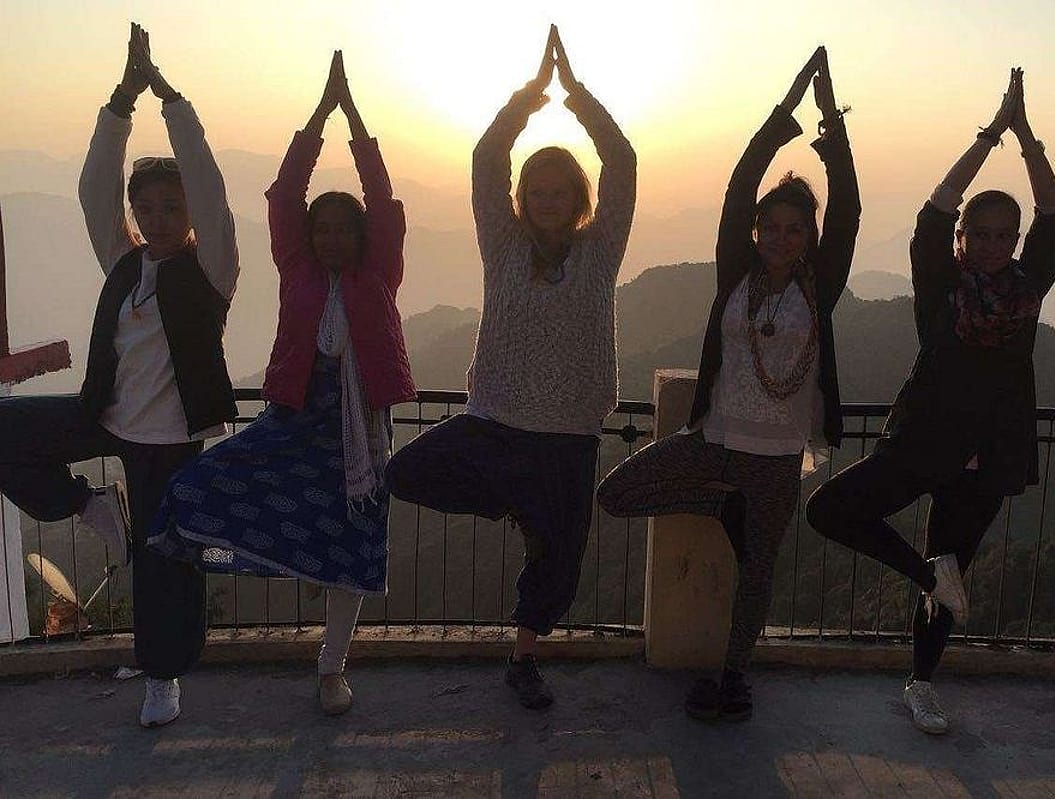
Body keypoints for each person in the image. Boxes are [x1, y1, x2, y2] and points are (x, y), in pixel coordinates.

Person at [805, 68, 1055, 735]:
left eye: (1000, 234)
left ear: (1014, 240)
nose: (987, 243)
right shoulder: (939, 287)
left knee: (956, 563)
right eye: (977, 232)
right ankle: (923, 571)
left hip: (990, 455)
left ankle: (922, 683)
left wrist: (1029, 137)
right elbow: (935, 207)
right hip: (923, 441)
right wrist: (990, 134)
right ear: (962, 239)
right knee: (832, 509)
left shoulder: (1026, 289)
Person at [597, 46, 860, 722]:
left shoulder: (818, 288)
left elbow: (851, 209)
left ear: (808, 236)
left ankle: (733, 677)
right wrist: (785, 109)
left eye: (792, 228)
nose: (777, 235)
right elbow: (740, 184)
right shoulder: (733, 274)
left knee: (759, 572)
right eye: (769, 226)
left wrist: (831, 122)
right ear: (755, 231)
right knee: (617, 493)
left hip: (777, 457)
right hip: (713, 438)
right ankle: (719, 506)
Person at [148, 51, 413, 716]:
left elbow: (381, 197)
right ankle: (179, 625)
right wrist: (316, 115)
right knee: (200, 483)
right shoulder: (294, 265)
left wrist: (353, 117)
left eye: (341, 229)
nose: (328, 238)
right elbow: (283, 194)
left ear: (360, 235)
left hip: (359, 431)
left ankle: (332, 669)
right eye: (319, 229)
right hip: (297, 418)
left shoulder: (380, 271)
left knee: (352, 543)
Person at [385, 25, 636, 710]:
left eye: (561, 189)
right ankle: (507, 500)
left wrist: (577, 97)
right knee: (404, 472)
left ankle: (524, 659)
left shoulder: (601, 250)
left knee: (556, 562)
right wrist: (528, 99)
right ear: (522, 198)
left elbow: (621, 158)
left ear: (578, 198)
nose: (548, 199)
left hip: (567, 437)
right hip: (494, 421)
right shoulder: (501, 243)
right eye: (537, 189)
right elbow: (487, 156)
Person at [0, 23, 240, 727]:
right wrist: (120, 102)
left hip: (167, 438)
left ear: (191, 214)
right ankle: (87, 503)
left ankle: (162, 676)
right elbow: (90, 190)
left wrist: (171, 100)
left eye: (173, 208)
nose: (158, 218)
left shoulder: (210, 273)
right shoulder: (126, 265)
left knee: (166, 559)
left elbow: (214, 189)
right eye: (147, 208)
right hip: (101, 412)